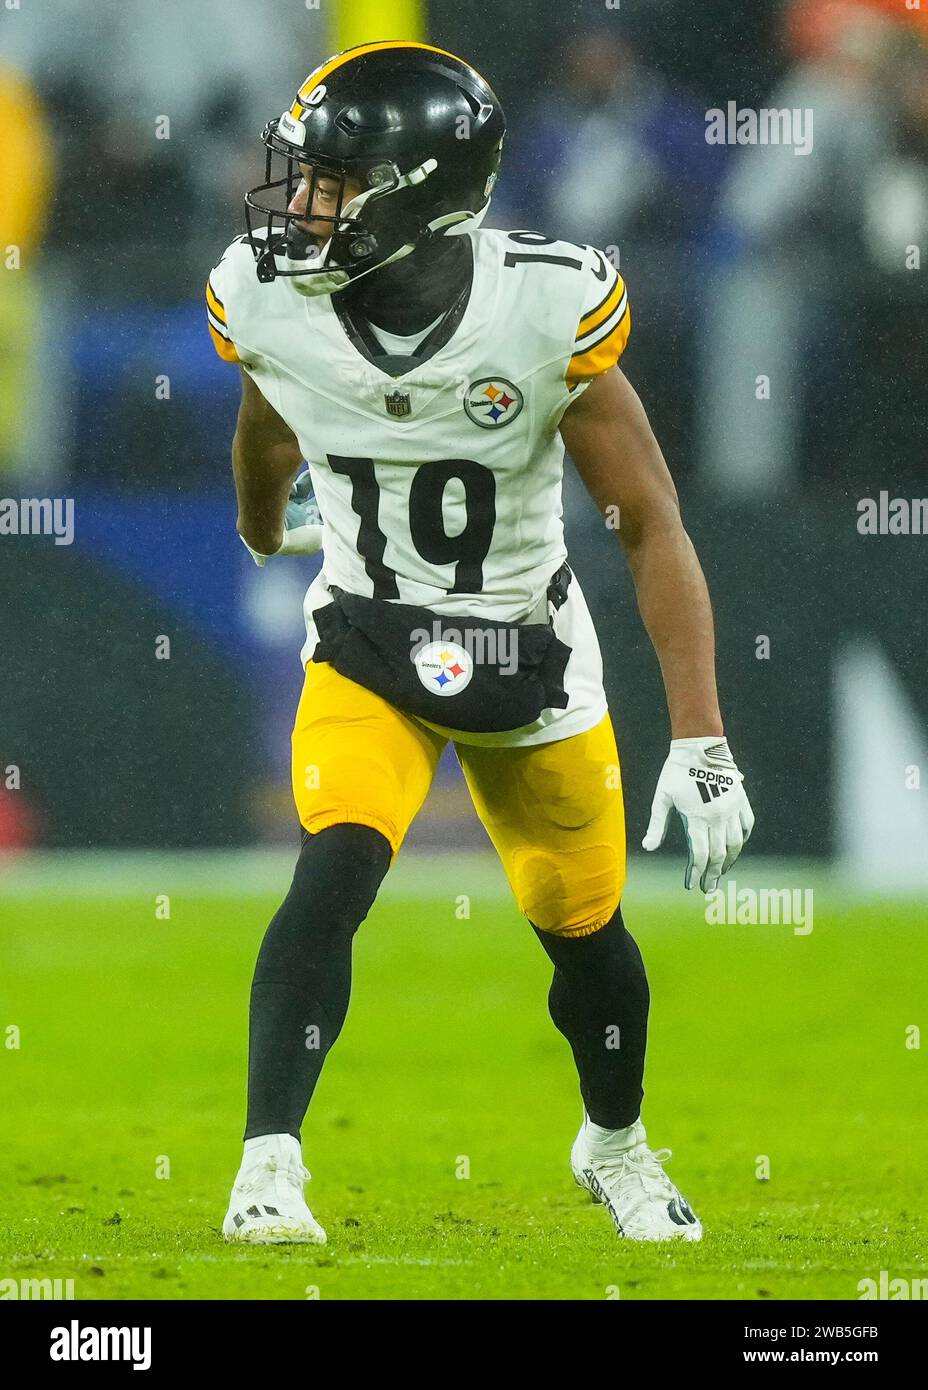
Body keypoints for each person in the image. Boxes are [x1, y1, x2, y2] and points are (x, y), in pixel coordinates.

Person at [206, 41, 754, 1245]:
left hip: (528, 654)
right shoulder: (263, 296)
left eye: (333, 182)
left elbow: (650, 521)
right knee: (333, 866)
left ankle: (612, 1140)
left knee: (585, 931)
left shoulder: (544, 301)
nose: (300, 205)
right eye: (302, 175)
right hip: (368, 638)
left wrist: (702, 735)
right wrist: (263, 528)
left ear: (417, 190)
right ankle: (268, 1165)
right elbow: (265, 421)